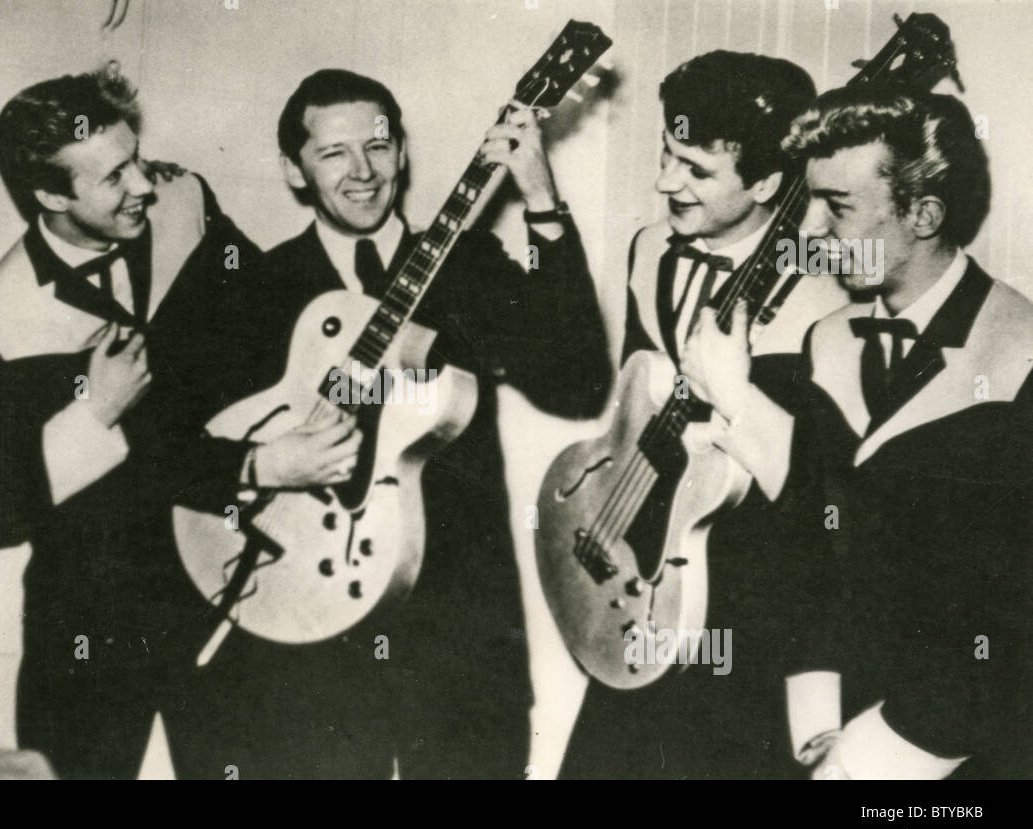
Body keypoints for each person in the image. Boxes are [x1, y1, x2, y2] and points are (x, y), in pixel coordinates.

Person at [190, 68, 610, 779]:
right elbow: (166, 446)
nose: (363, 172)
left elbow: (578, 382)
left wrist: (541, 197)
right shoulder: (251, 291)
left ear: (403, 153)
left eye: (379, 146)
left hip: (458, 628)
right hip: (303, 620)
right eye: (333, 153)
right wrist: (263, 464)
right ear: (293, 170)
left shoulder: (469, 266)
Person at [0, 64, 351, 779]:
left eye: (136, 159)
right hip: (90, 628)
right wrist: (95, 414)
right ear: (48, 195)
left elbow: (264, 317)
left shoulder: (182, 203)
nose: (142, 186)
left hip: (230, 590)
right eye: (113, 178)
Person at [684, 86, 1033, 779]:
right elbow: (814, 547)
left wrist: (887, 751)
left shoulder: (1020, 356)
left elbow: (1000, 619)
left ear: (923, 214)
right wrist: (818, 728)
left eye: (836, 206)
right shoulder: (829, 341)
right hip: (834, 733)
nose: (809, 231)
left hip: (963, 747)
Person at [559, 51, 846, 779]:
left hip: (747, 616)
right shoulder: (649, 249)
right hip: (641, 587)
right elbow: (631, 418)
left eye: (694, 169)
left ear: (768, 183)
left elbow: (823, 502)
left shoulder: (830, 299)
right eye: (666, 154)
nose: (664, 182)